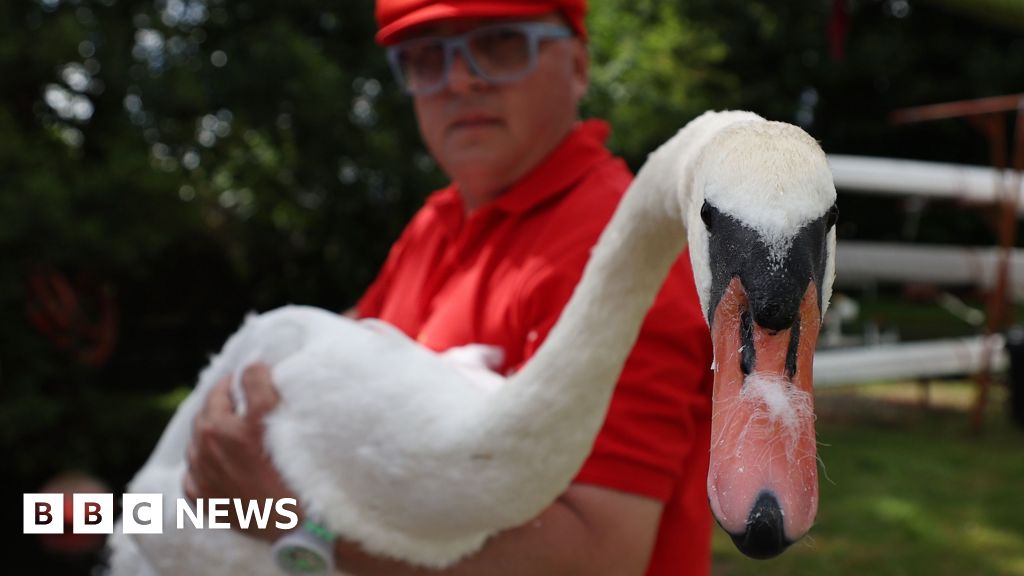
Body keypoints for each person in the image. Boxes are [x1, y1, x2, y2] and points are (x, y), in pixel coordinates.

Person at [184, 1, 715, 574]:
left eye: (502, 43)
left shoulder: (620, 256)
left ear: (579, 65)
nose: (460, 78)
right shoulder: (436, 225)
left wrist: (295, 524)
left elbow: (598, 555)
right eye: (426, 55)